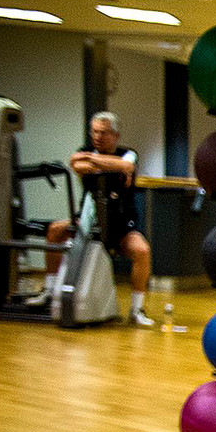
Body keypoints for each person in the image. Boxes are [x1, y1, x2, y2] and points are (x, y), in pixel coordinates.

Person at [39, 112, 154, 325]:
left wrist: (93, 160)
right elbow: (76, 164)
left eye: (103, 132)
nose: (97, 137)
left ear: (115, 135)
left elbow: (127, 166)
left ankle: (137, 310)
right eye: (94, 132)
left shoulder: (128, 153)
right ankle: (49, 290)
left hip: (120, 225)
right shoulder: (83, 151)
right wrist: (106, 163)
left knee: (142, 251)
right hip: (86, 221)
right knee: (55, 230)